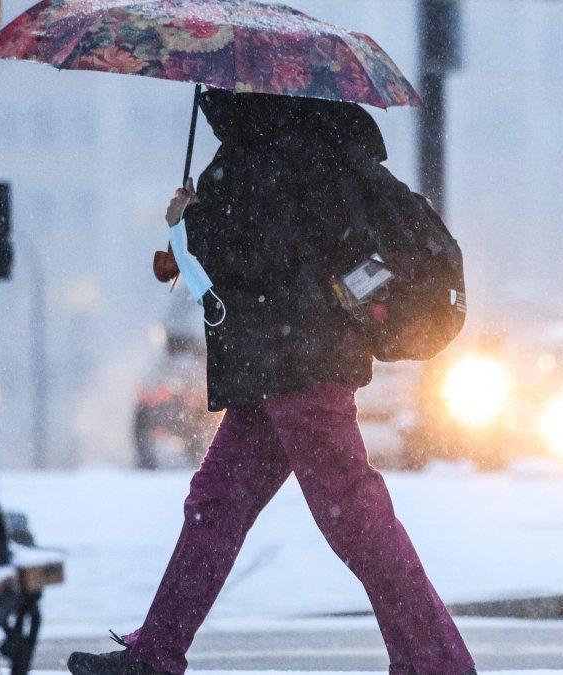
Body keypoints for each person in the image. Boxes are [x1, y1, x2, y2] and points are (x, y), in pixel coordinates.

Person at [67, 90, 476, 675]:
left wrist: (189, 222)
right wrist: (200, 221)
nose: (209, 97)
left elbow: (262, 255)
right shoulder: (310, 141)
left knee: (354, 517)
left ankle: (439, 662)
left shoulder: (267, 152)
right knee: (218, 506)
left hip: (296, 366)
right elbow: (291, 253)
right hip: (281, 363)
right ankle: (156, 654)